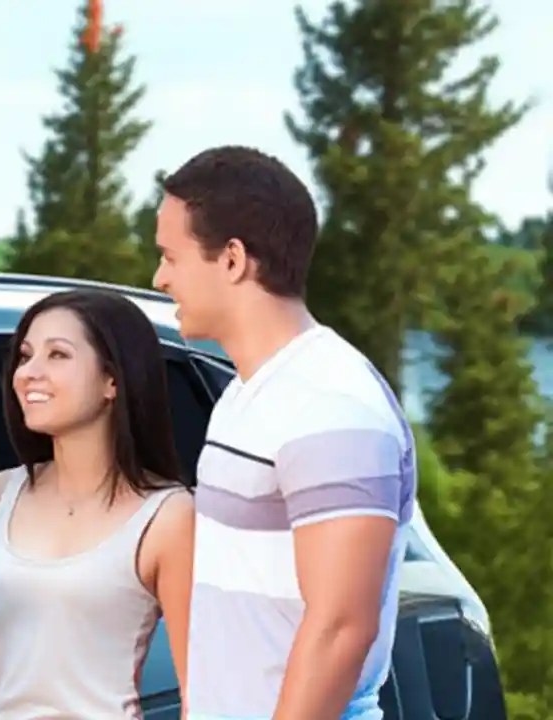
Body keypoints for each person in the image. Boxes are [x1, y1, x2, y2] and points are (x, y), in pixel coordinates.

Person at [152, 145, 417, 720]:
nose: (160, 277)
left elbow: (342, 627)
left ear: (232, 260)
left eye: (171, 256)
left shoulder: (332, 404)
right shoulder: (244, 395)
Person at [0, 288, 197, 719]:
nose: (28, 373)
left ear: (113, 380)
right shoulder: (3, 493)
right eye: (26, 355)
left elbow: (201, 692)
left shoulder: (169, 516)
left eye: (58, 355)